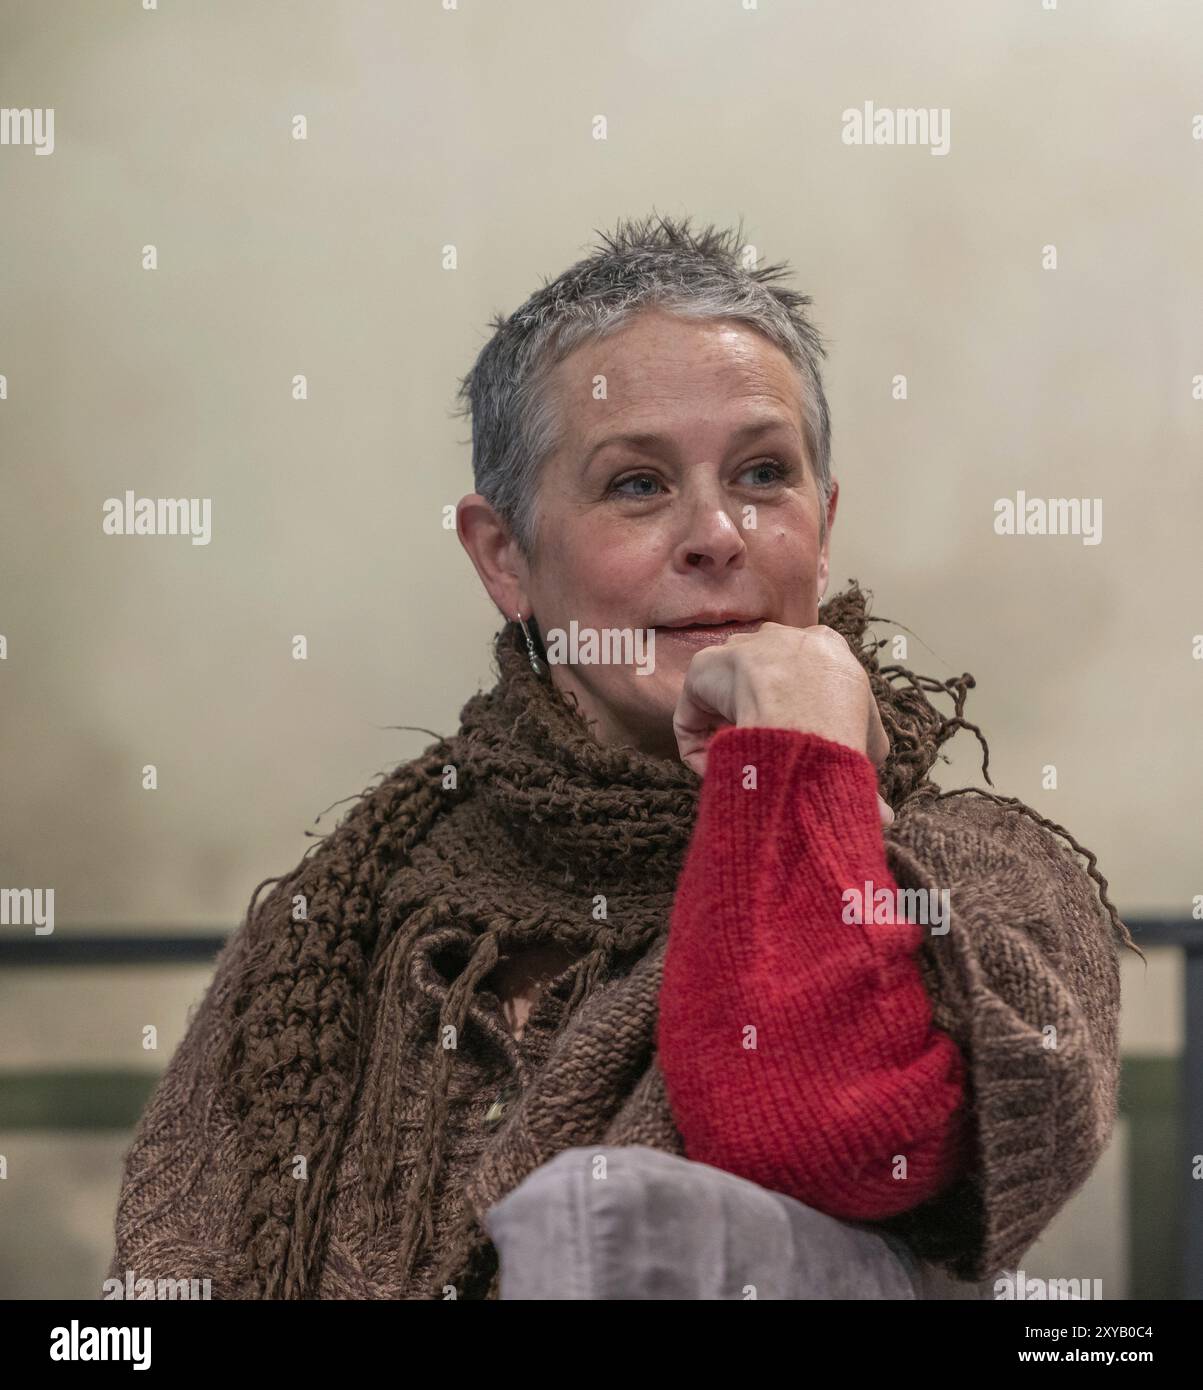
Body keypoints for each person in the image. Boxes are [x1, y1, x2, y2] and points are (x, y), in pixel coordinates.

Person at [105, 214, 1141, 1300]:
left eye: (764, 474)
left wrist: (790, 750)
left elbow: (824, 1137)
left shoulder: (988, 891)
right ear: (505, 557)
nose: (718, 534)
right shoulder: (347, 913)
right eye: (637, 484)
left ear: (824, 529)